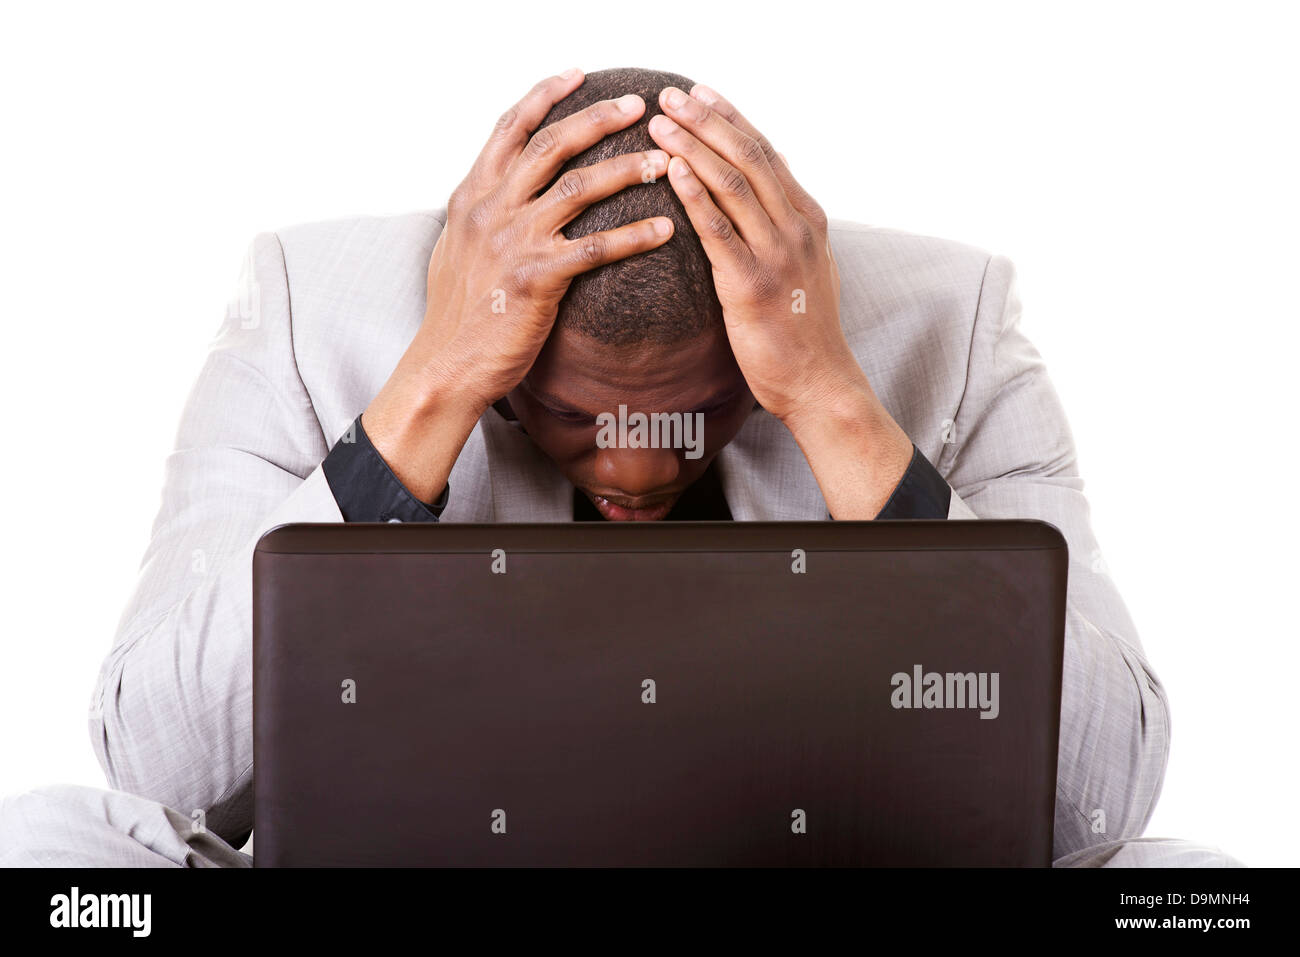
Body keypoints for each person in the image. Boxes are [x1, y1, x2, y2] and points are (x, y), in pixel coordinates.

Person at [0, 67, 1240, 867]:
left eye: (703, 413)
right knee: (49, 849)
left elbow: (1102, 797)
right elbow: (156, 772)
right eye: (562, 414)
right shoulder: (311, 312)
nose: (637, 473)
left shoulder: (943, 324)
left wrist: (825, 397)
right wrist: (431, 388)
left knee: (1190, 899)